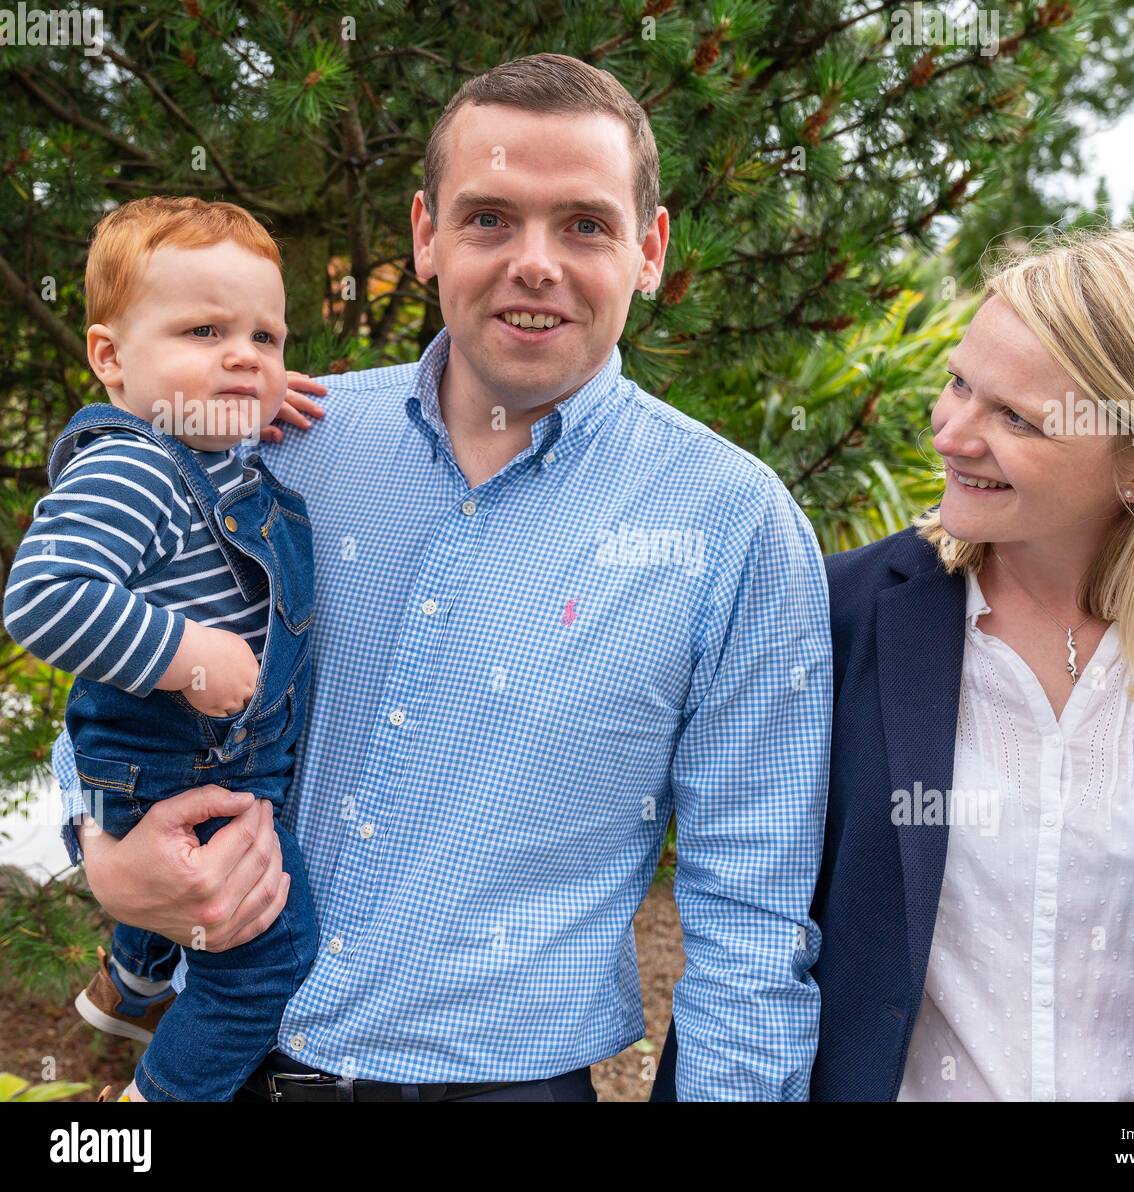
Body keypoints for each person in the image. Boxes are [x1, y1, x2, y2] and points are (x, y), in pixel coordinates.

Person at [52, 52, 834, 1102]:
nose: (535, 263)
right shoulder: (280, 448)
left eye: (585, 225)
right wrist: (102, 848)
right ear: (427, 234)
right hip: (225, 1066)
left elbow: (752, 916)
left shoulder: (732, 528)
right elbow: (117, 678)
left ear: (650, 251)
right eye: (490, 219)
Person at [655, 226, 1134, 1102]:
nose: (952, 432)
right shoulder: (830, 621)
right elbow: (749, 942)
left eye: (1016, 418)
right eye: (961, 382)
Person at [5, 196, 319, 1101]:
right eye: (204, 329)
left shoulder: (209, 450)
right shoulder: (133, 464)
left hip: (203, 757)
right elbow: (43, 597)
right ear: (109, 357)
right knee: (269, 957)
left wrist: (241, 396)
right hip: (173, 757)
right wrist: (191, 654)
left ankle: (133, 980)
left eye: (266, 337)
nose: (243, 354)